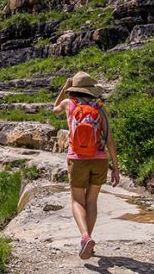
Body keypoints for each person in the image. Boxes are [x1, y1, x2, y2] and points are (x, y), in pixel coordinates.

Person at [53, 71, 120, 260]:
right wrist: (115, 167)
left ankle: (85, 237)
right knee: (92, 201)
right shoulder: (99, 108)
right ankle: (88, 240)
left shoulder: (69, 104)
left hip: (77, 159)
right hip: (99, 159)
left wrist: (64, 88)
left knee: (76, 201)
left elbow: (54, 108)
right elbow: (110, 140)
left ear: (74, 89)